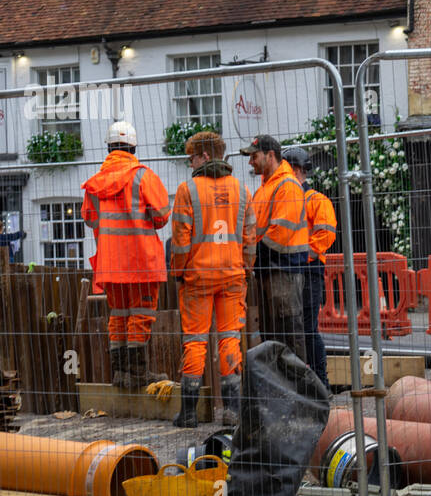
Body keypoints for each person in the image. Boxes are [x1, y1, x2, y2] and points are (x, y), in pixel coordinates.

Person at [169, 130, 257, 428]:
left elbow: (180, 241)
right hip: (232, 277)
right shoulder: (242, 191)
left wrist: (179, 272)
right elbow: (250, 239)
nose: (190, 163)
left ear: (205, 156)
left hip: (198, 278)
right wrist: (244, 268)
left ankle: (190, 413)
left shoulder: (187, 190)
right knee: (230, 338)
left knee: (195, 341)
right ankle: (232, 411)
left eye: (191, 157)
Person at [81, 120, 171, 390]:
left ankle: (121, 374)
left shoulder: (95, 184)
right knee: (141, 314)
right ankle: (138, 374)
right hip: (141, 260)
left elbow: (90, 219)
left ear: (109, 148)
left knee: (118, 314)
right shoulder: (143, 176)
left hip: (110, 263)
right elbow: (162, 216)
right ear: (133, 147)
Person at [242, 135, 311, 364]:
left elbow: (279, 234)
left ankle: (301, 394)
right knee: (274, 335)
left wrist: (252, 257)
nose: (251, 162)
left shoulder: (287, 186)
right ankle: (283, 391)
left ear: (270, 155)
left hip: (283, 271)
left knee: (289, 333)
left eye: (254, 156)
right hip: (270, 270)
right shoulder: (267, 188)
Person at [282, 145, 337, 389]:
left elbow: (325, 234)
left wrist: (303, 257)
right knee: (295, 327)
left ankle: (321, 383)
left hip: (308, 270)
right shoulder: (289, 199)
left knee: (307, 327)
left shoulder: (316, 200)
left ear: (295, 170)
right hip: (292, 268)